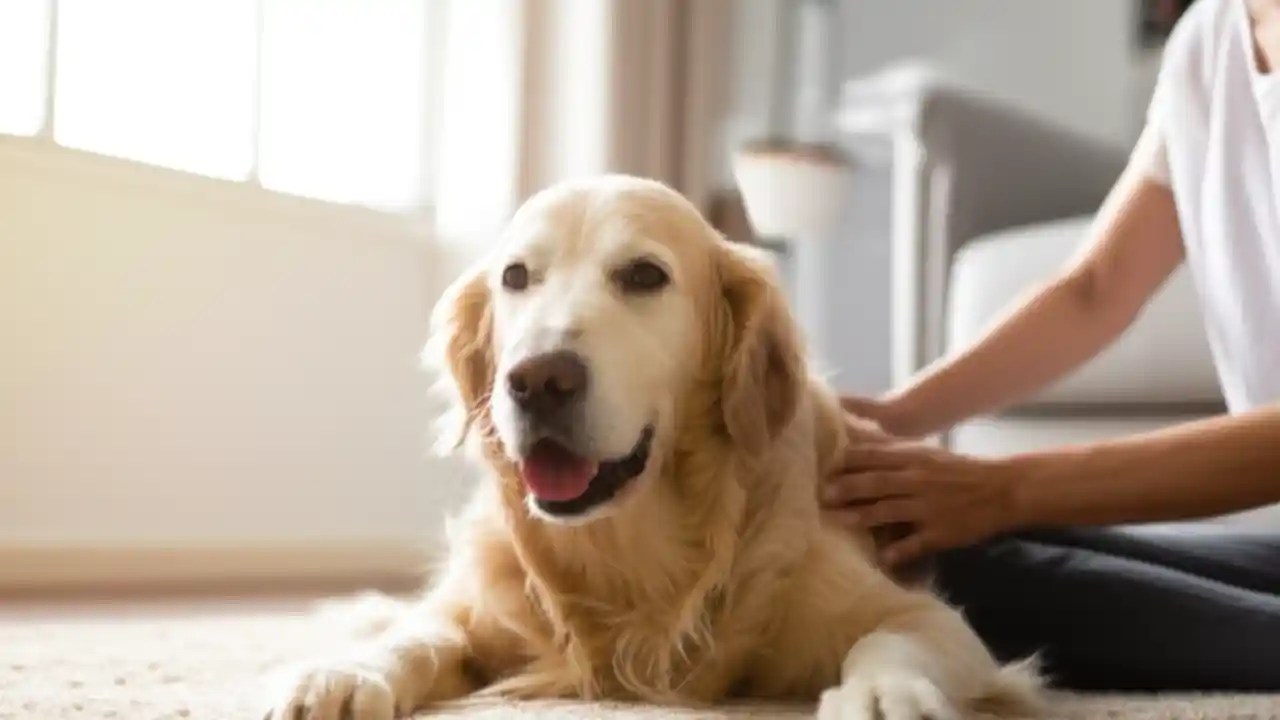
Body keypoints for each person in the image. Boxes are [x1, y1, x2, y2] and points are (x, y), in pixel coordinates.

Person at [821, 0, 1280, 692]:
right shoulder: (1210, 41)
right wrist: (895, 416)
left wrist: (1002, 488)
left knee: (977, 583)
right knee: (945, 556)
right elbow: (1094, 288)